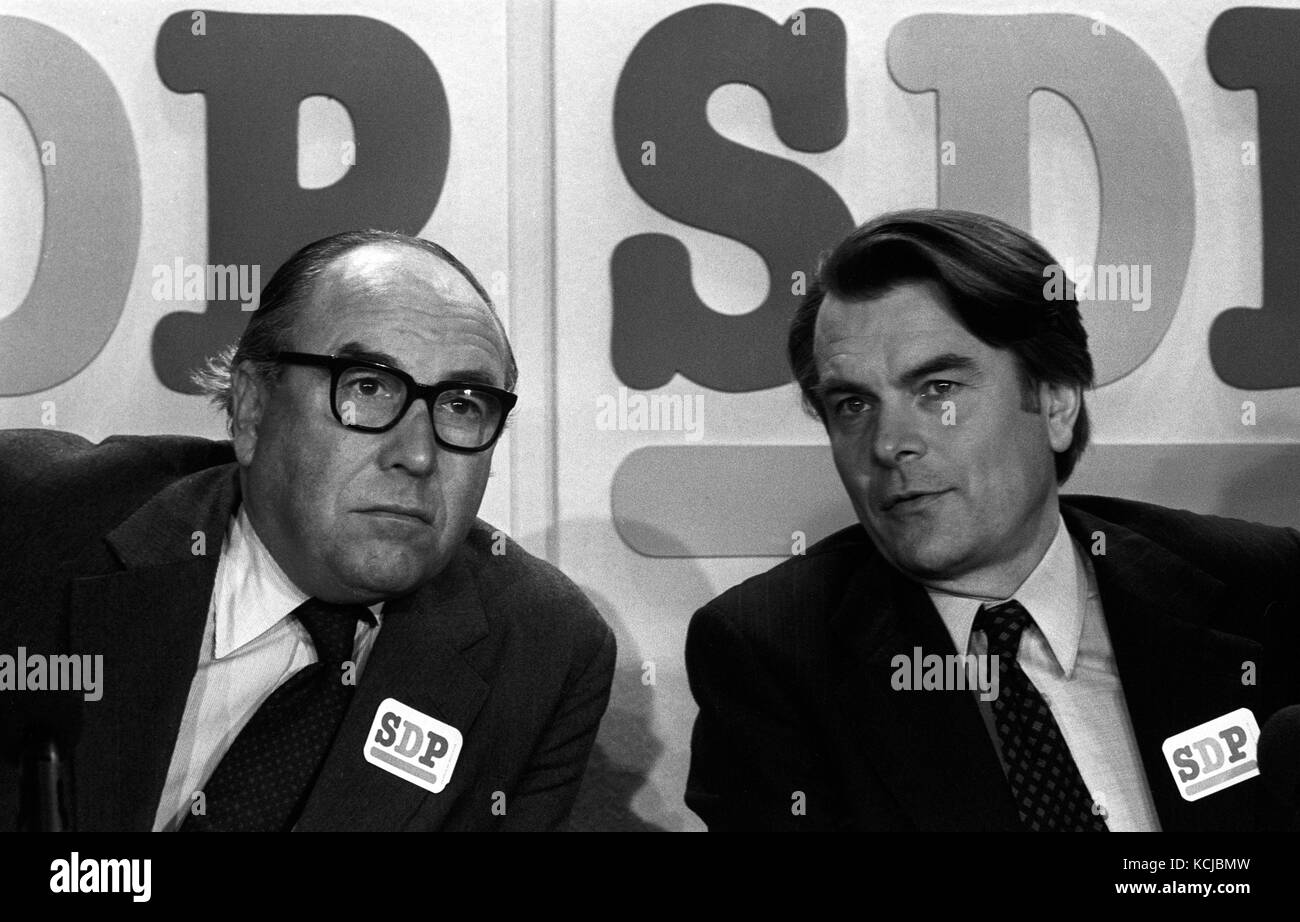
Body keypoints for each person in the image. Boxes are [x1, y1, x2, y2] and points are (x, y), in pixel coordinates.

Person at [685, 209, 1300, 831]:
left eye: (938, 388)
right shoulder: (772, 658)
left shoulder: (1262, 585)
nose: (889, 443)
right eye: (853, 404)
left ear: (1056, 401)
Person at [0, 229, 615, 831]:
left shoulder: (540, 651)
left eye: (461, 404)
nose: (419, 456)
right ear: (252, 409)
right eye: (368, 388)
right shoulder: (32, 519)